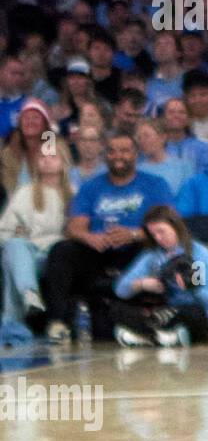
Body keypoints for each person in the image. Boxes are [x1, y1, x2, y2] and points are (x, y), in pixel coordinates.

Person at [42, 130, 173, 342]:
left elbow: (168, 225)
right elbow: (74, 226)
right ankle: (58, 322)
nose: (118, 156)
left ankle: (151, 318)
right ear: (106, 156)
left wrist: (133, 234)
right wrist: (90, 237)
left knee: (153, 247)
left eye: (124, 151)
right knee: (62, 250)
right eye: (112, 151)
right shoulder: (91, 186)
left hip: (137, 249)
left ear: (136, 154)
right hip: (99, 251)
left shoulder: (155, 184)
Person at [111, 204, 208, 347]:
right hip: (163, 311)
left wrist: (194, 287)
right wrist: (142, 284)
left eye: (161, 232)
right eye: (153, 234)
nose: (158, 238)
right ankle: (162, 337)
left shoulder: (198, 254)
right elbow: (120, 290)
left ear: (175, 226)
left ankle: (151, 336)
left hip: (189, 313)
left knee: (192, 312)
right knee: (118, 308)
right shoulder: (153, 256)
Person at [0, 150, 70, 345]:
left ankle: (12, 326)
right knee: (14, 247)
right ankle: (29, 294)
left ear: (64, 164)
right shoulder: (25, 191)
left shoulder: (73, 192)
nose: (47, 161)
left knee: (12, 264)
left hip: (56, 255)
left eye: (53, 157)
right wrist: (16, 234)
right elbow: (4, 231)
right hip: (28, 252)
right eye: (42, 157)